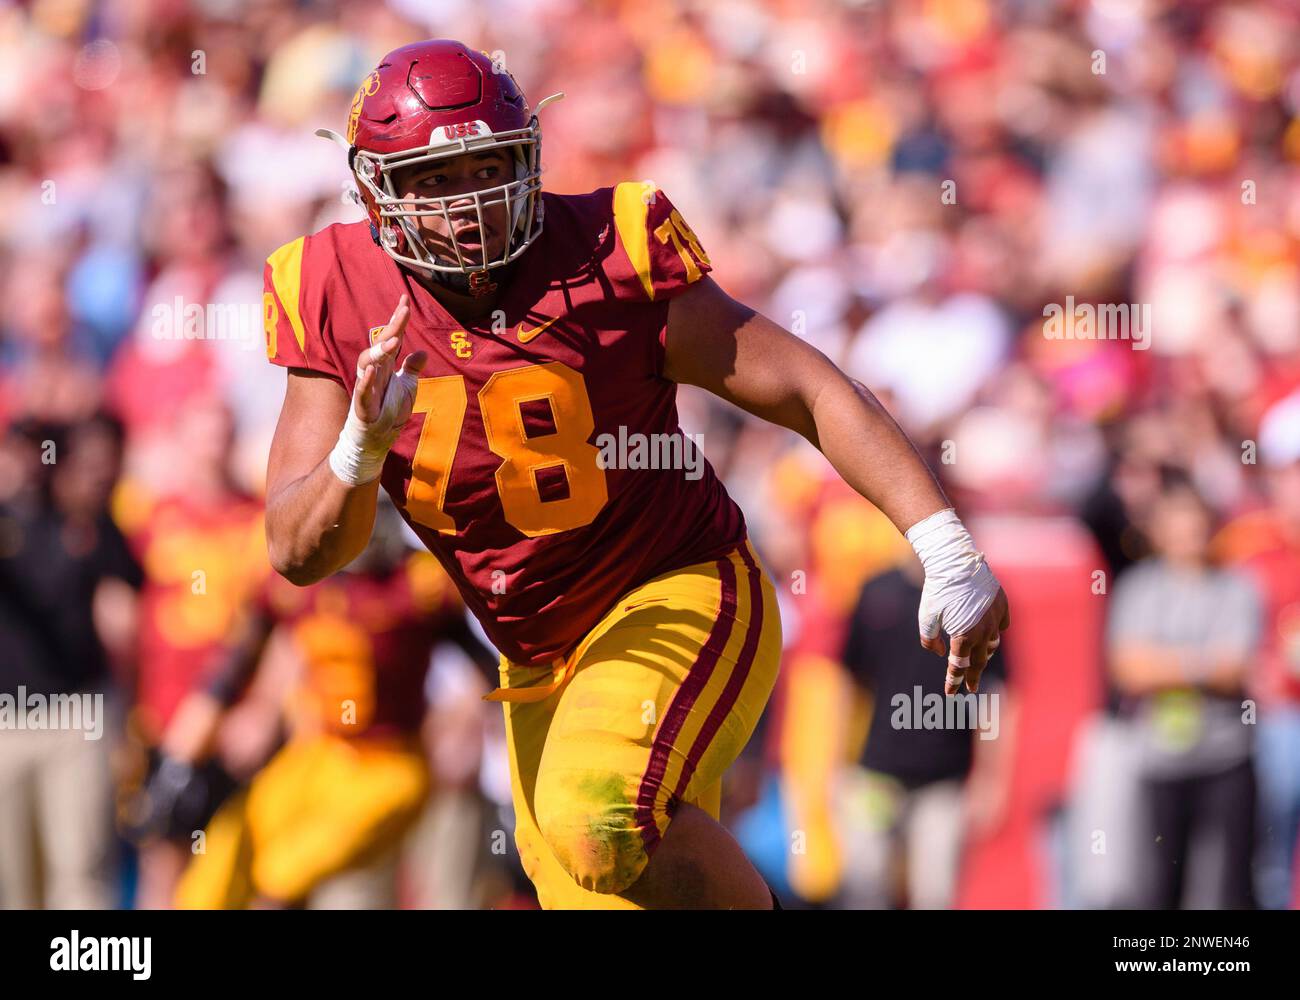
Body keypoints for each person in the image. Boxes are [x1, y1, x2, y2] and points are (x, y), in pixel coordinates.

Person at [261, 39, 1009, 910]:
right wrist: (358, 449)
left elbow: (806, 387)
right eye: (436, 181)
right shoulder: (333, 289)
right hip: (538, 659)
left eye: (489, 167)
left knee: (595, 815)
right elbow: (299, 551)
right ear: (375, 192)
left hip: (677, 590)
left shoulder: (604, 256)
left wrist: (943, 541)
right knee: (601, 875)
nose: (470, 204)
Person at [1108, 475, 1260, 909]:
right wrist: (1203, 663)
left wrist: (1164, 664)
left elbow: (1236, 669)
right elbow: (1129, 670)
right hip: (1161, 760)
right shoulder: (1138, 589)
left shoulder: (1237, 587)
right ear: (1159, 530)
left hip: (1227, 757)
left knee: (1234, 887)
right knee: (1159, 887)